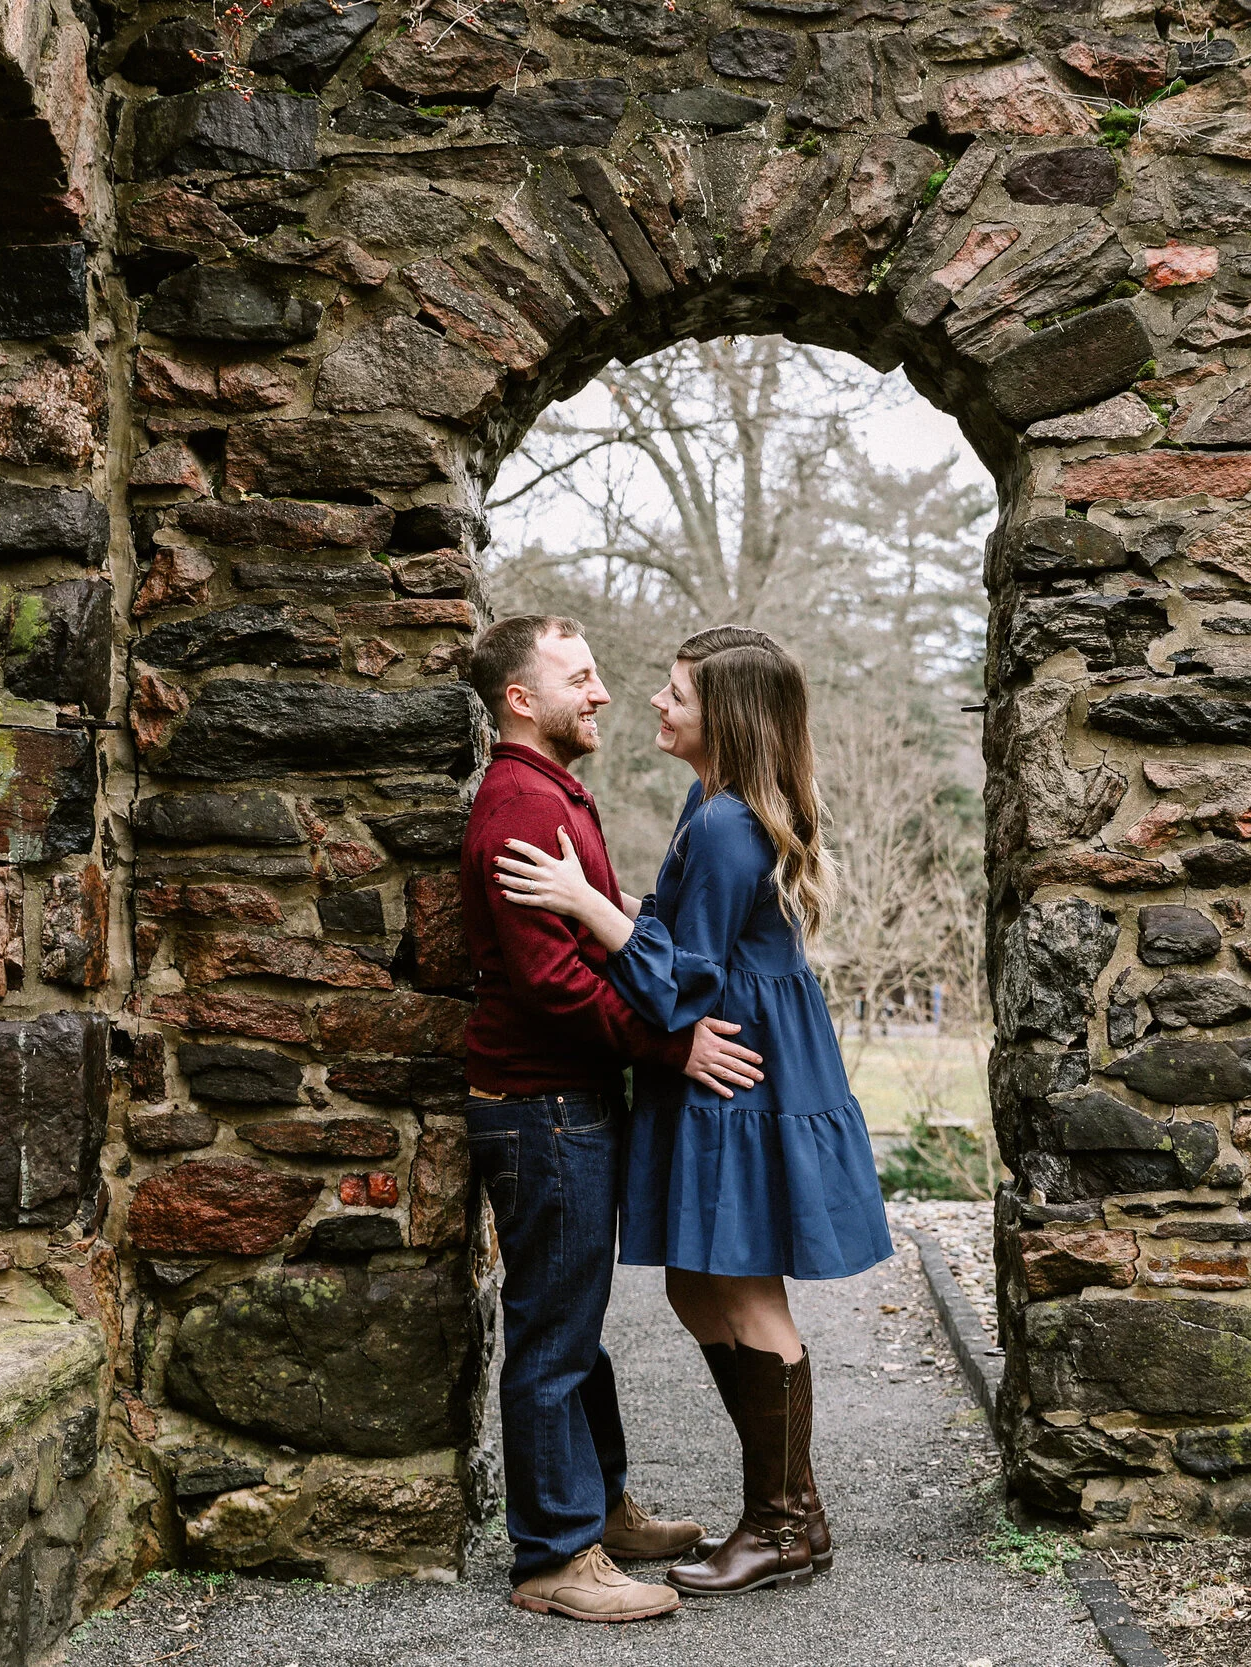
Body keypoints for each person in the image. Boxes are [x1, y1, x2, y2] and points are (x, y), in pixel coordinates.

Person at [497, 625, 894, 1597]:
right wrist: (619, 901)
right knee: (692, 1285)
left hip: (738, 1065)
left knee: (746, 1291)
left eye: (675, 692)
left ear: (725, 714)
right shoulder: (706, 801)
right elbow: (680, 929)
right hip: (716, 1058)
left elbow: (680, 977)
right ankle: (789, 1511)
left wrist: (588, 903)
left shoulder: (723, 824)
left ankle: (783, 1524)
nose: (653, 703)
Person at [459, 613, 768, 1625]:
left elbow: (591, 938)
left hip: (566, 1100)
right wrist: (668, 1042)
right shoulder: (516, 801)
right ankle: (555, 1554)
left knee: (574, 1328)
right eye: (579, 677)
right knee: (553, 1333)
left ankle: (600, 1510)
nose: (601, 693)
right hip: (542, 1104)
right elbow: (554, 982)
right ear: (520, 697)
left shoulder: (548, 790)